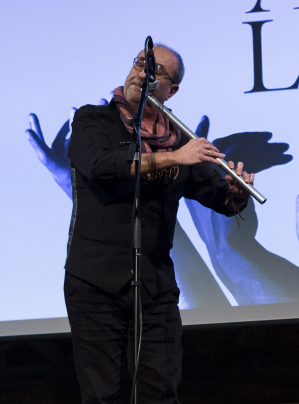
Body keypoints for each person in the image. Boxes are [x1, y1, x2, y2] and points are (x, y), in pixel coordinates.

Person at [64, 45, 254, 403]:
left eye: (157, 72)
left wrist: (236, 192)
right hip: (95, 283)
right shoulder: (93, 119)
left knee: (160, 391)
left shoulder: (179, 138)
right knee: (102, 395)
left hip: (154, 286)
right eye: (140, 64)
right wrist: (176, 156)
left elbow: (219, 197)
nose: (142, 74)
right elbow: (102, 165)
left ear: (171, 91)